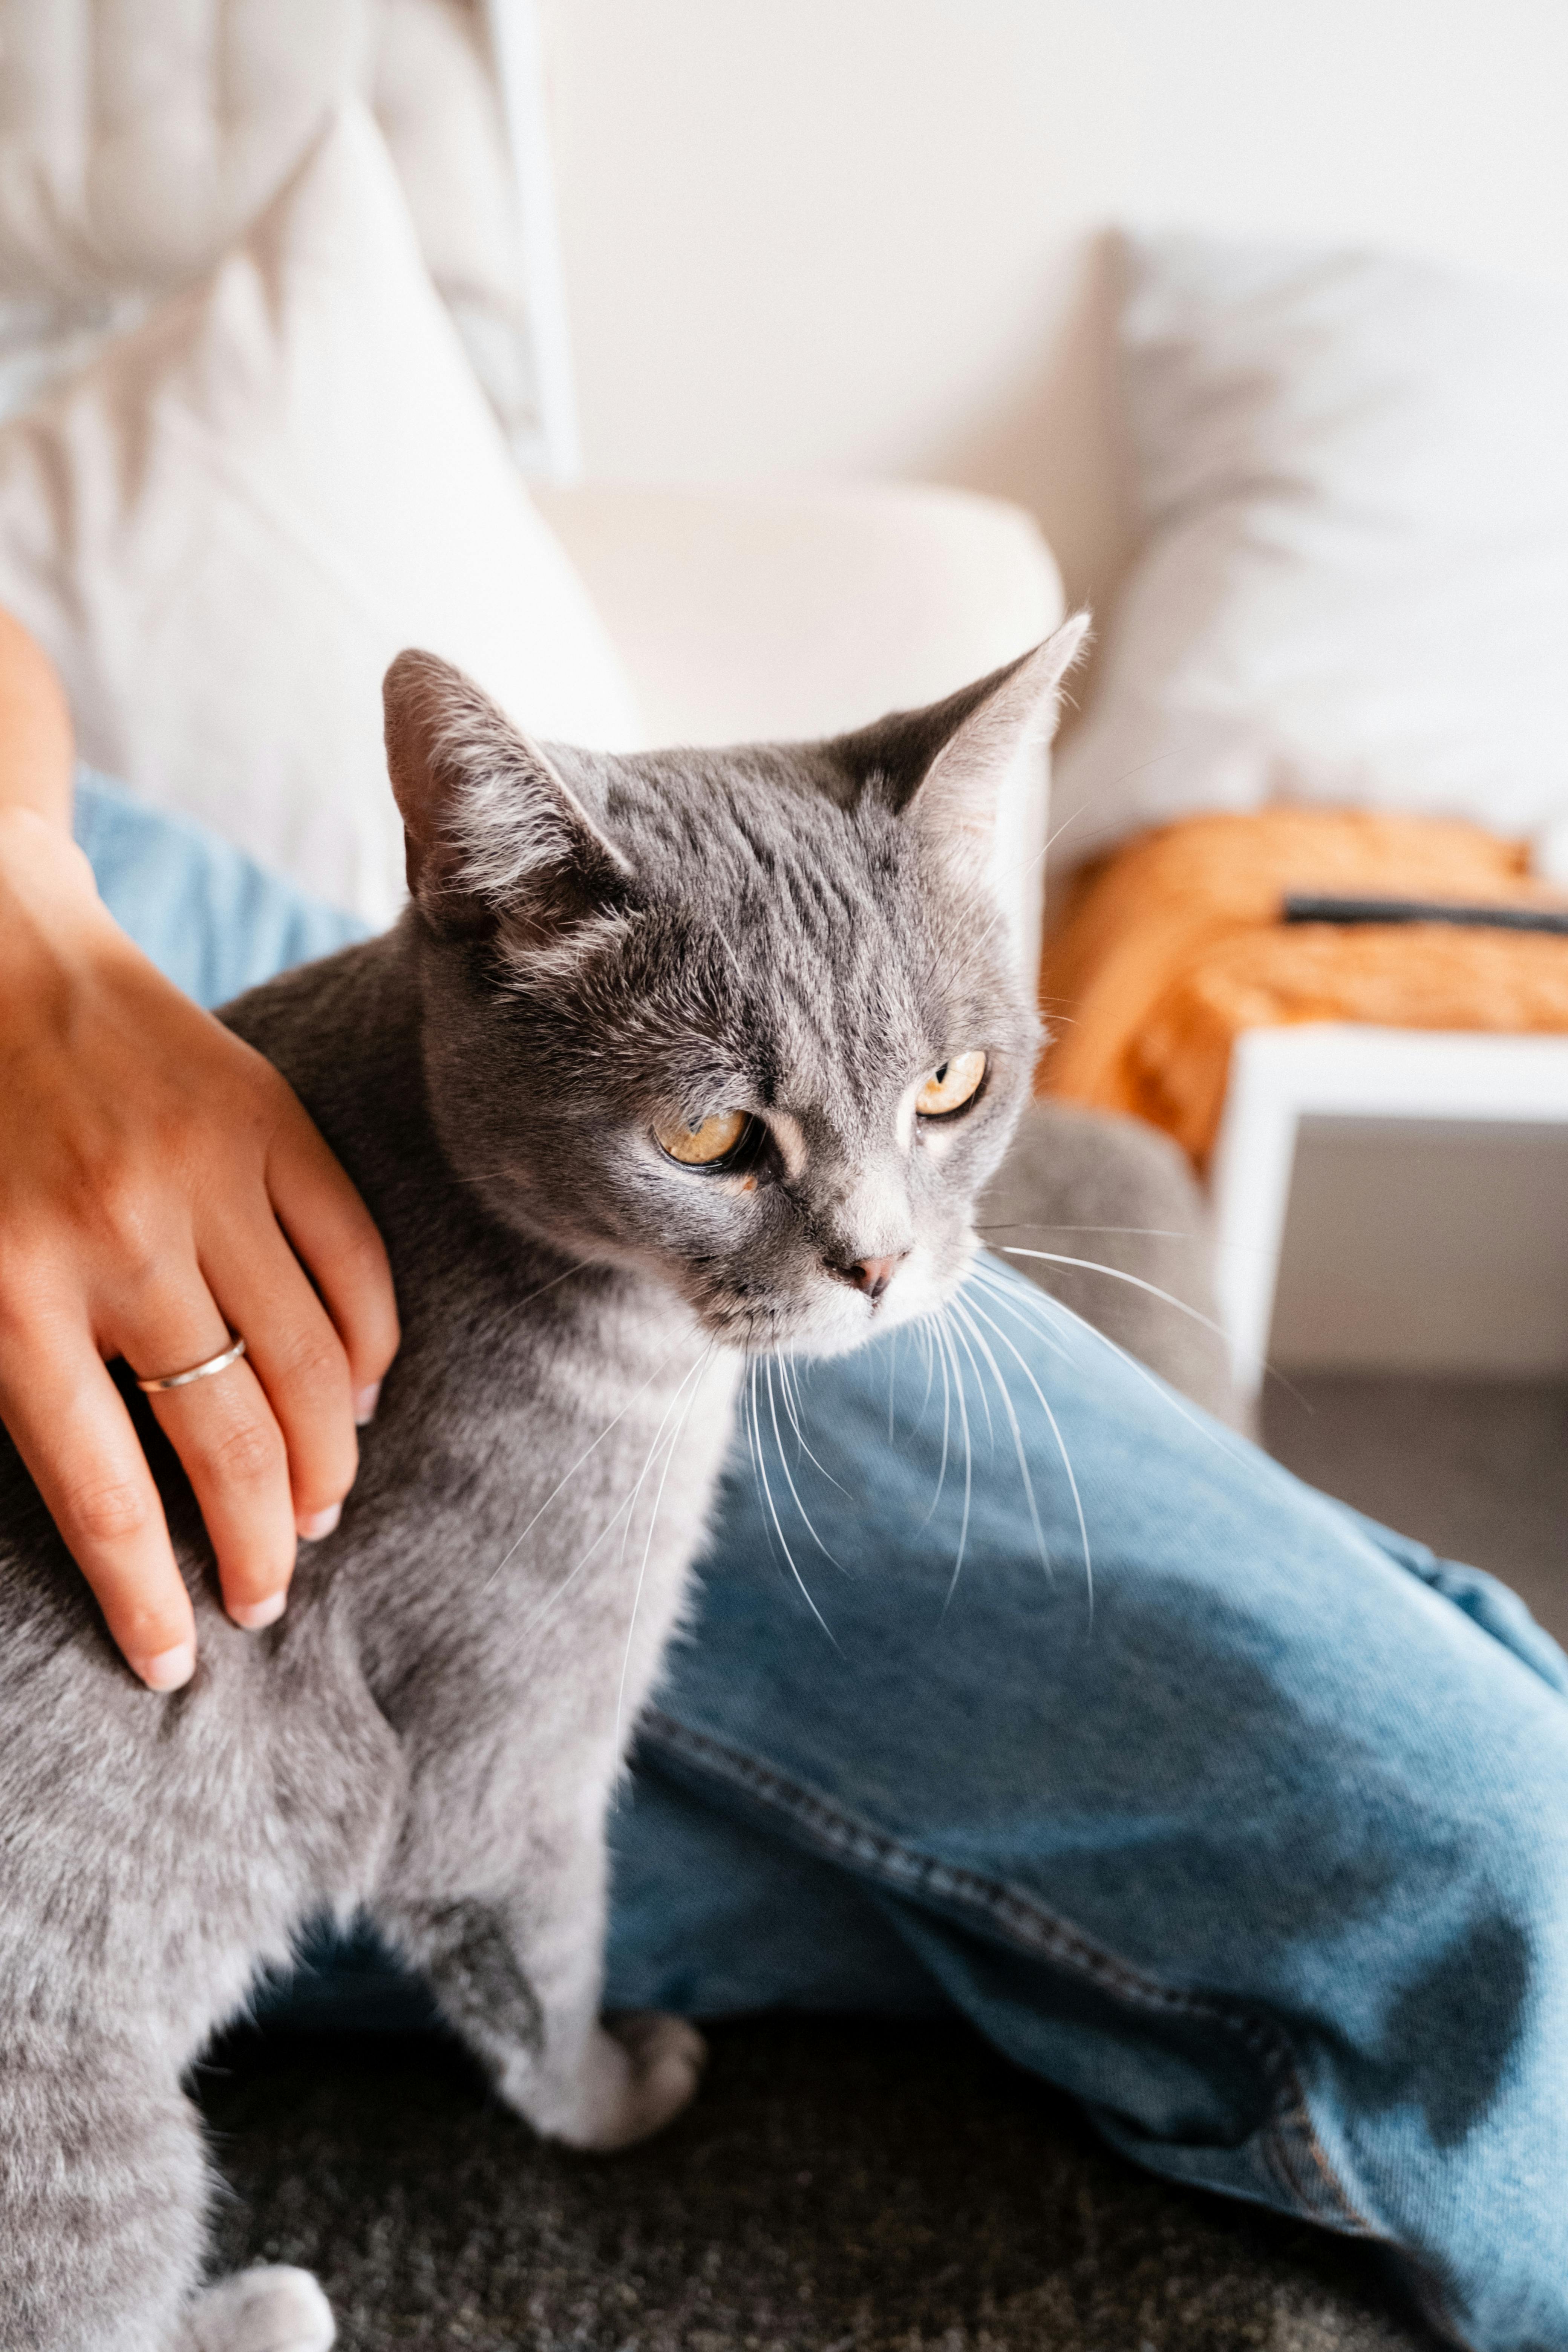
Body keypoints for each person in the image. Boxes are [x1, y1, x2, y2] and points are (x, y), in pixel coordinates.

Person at [2, 611, 1565, 2352]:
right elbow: (483, 1833)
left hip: (71, 882)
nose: (879, 1252)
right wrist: (574, 2074)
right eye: (720, 1145)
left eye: (951, 1090)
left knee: (1498, 1841)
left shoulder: (775, 1161)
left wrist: (21, 909)